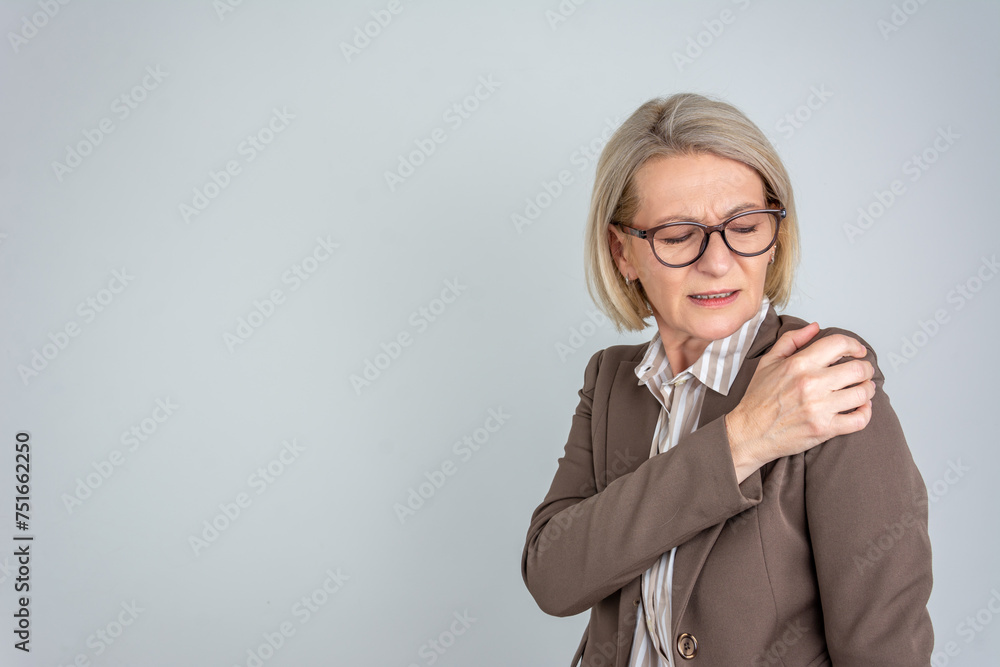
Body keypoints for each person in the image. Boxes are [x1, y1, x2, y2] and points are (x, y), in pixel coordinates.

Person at [520, 93, 933, 667]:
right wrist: (741, 440)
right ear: (623, 252)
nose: (717, 262)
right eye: (676, 234)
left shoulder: (822, 376)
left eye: (745, 225)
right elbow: (553, 578)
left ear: (775, 235)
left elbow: (884, 648)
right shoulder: (611, 381)